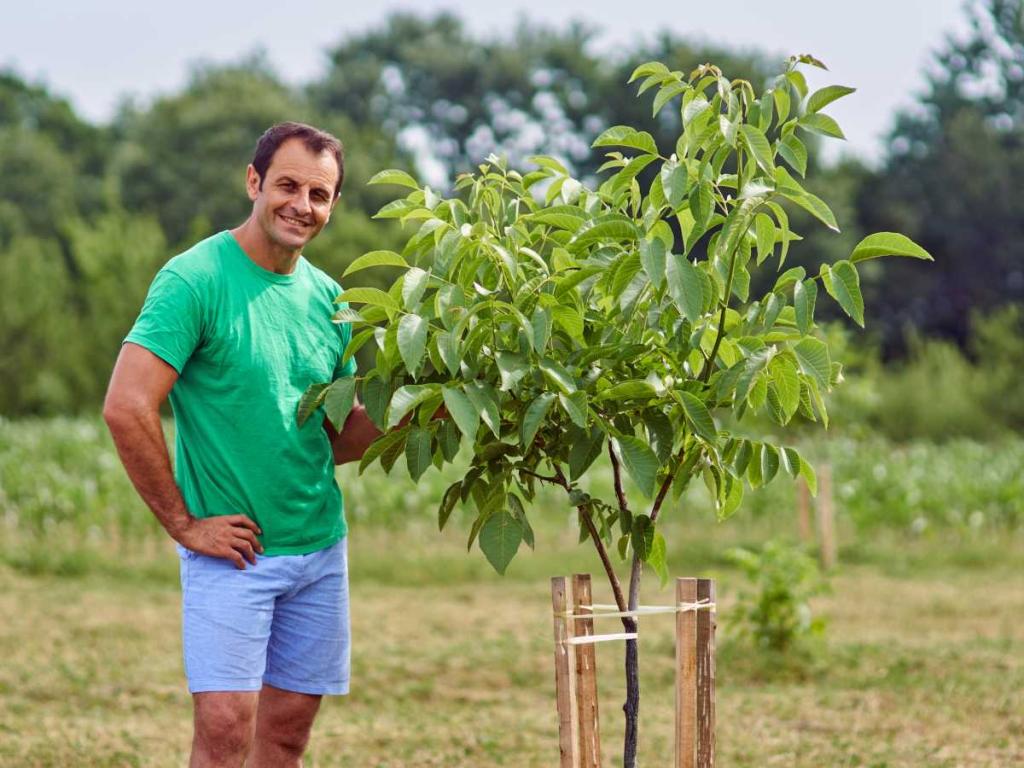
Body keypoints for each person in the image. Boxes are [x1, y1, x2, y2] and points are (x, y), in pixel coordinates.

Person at [103, 121, 383, 767]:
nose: (301, 205)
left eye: (319, 194)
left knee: (285, 738)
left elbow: (333, 440)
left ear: (333, 204)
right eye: (287, 185)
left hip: (318, 548)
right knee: (226, 735)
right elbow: (126, 406)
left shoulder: (331, 299)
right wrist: (183, 523)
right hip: (234, 555)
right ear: (254, 182)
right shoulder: (194, 279)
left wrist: (429, 410)